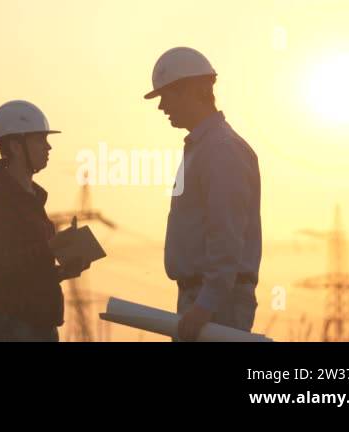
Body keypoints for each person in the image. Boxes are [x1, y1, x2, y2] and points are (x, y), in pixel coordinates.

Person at [144, 47, 262, 342]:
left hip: (217, 303)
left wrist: (206, 305)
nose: (161, 107)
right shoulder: (205, 148)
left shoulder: (222, 150)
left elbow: (226, 235)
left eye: (166, 96)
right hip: (206, 299)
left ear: (191, 90)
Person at [0, 100, 89, 342]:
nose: (48, 147)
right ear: (16, 146)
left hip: (35, 326)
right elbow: (4, 268)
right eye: (40, 140)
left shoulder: (30, 199)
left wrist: (61, 271)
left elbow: (28, 272)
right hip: (12, 328)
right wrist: (52, 247)